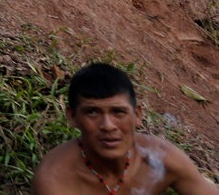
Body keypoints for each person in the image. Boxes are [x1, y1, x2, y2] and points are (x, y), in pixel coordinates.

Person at [31, 63, 219, 194]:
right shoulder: (56, 179)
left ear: (137, 115)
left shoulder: (160, 159)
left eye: (118, 112)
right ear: (73, 117)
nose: (108, 126)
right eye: (92, 113)